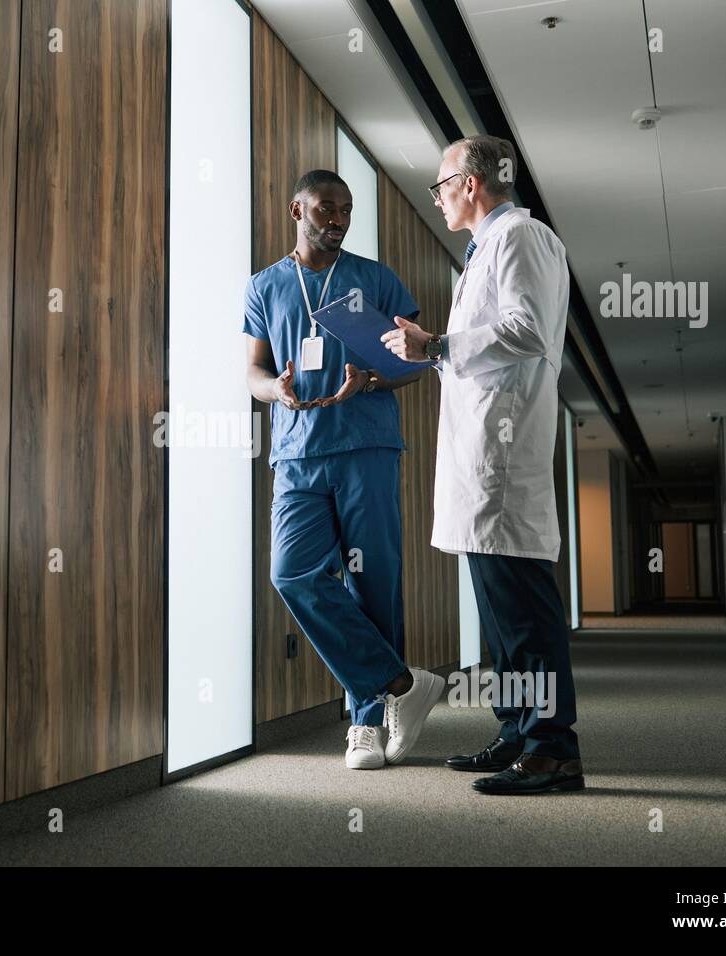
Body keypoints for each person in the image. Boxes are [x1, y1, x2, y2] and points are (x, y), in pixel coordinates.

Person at [380, 135, 585, 794]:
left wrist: (438, 342)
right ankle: (519, 732)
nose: (437, 197)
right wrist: (433, 351)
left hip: (503, 458)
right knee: (501, 619)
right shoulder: (487, 250)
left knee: (523, 614)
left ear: (471, 183)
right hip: (481, 455)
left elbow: (526, 330)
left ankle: (552, 748)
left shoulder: (522, 238)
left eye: (441, 184)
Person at [244, 169, 446, 770]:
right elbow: (251, 372)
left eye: (346, 211)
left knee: (373, 581)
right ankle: (401, 686)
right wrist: (272, 391)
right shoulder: (264, 287)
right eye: (326, 209)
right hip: (297, 452)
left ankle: (365, 724)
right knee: (293, 573)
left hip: (367, 445)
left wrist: (378, 378)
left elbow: (421, 358)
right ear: (295, 210)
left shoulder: (375, 278)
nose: (337, 220)